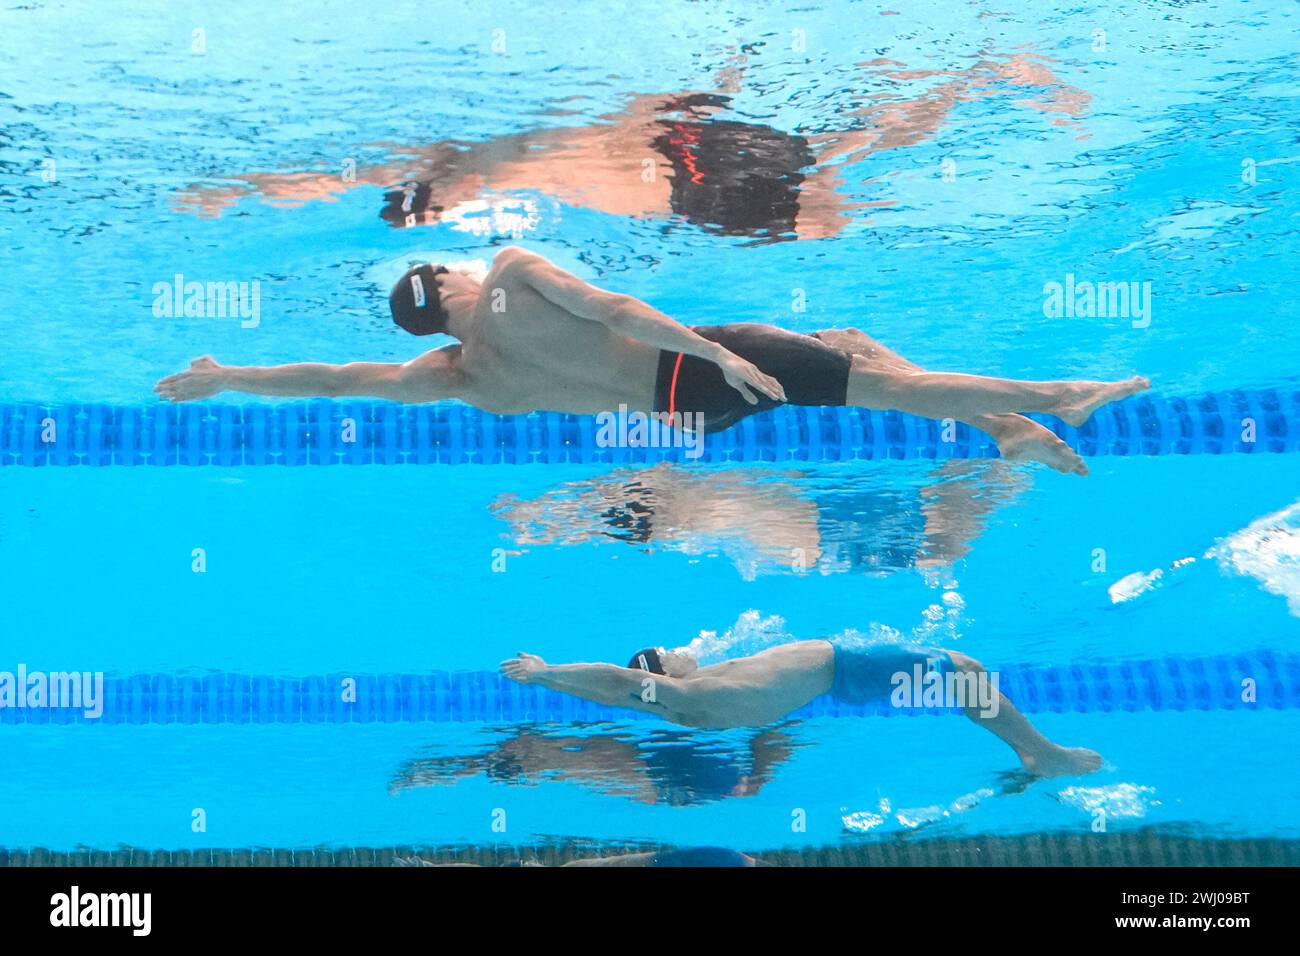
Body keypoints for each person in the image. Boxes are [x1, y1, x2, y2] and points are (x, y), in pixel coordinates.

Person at [155, 248, 1147, 475]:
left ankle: (1002, 429)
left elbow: (329, 379)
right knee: (877, 379)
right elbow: (618, 305)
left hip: (684, 416)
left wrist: (223, 374)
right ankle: (1057, 397)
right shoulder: (505, 273)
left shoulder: (454, 375)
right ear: (447, 270)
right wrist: (716, 348)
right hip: (696, 368)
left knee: (845, 350)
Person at [499, 640, 1103, 778]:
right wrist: (544, 672)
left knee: (957, 679)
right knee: (965, 671)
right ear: (653, 675)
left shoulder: (696, 692)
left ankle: (1030, 749)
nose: (680, 648)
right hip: (843, 670)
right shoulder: (683, 695)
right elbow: (610, 683)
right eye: (667, 652)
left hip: (834, 680)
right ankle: (1043, 754)